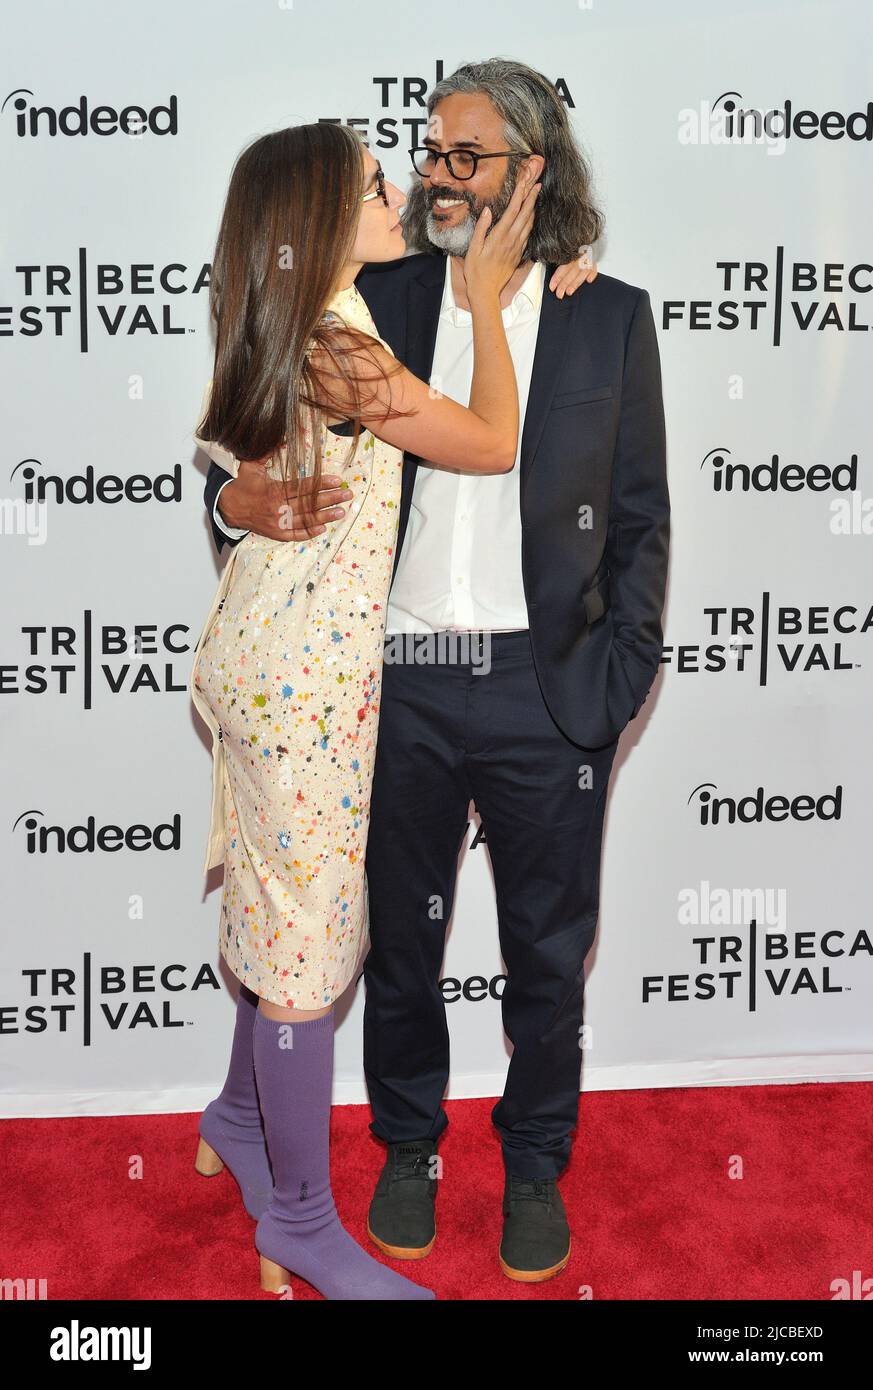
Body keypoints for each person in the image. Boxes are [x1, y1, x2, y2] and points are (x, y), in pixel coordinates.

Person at [204, 58, 670, 1288]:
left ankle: (532, 1161)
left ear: (534, 168)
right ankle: (407, 1144)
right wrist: (229, 497)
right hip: (395, 681)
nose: (435, 177)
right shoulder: (384, 292)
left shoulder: (606, 312)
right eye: (429, 152)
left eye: (466, 156)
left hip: (545, 689)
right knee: (398, 946)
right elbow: (263, 400)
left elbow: (638, 520)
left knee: (546, 952)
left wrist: (613, 689)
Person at [188, 119, 551, 1301]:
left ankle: (240, 1119)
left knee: (274, 911)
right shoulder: (342, 348)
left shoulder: (287, 321)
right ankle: (298, 1218)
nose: (394, 189)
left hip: (262, 662)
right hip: (303, 689)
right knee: (303, 964)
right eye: (371, 184)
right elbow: (492, 444)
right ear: (320, 218)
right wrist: (490, 302)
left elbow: (229, 452)